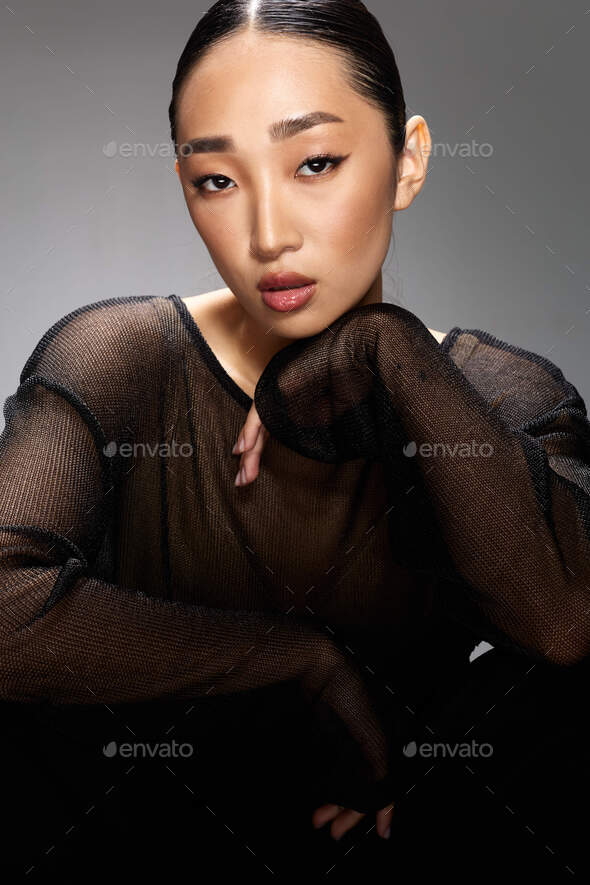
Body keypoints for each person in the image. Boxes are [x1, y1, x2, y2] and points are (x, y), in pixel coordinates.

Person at [1, 0, 588, 879]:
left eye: (316, 162)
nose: (269, 235)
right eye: (217, 180)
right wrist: (295, 660)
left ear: (409, 160)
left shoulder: (503, 393)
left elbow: (566, 626)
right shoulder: (119, 363)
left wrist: (385, 352)